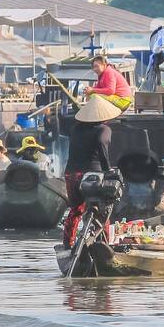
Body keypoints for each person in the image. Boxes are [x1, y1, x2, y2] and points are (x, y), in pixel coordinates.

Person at [62, 96, 120, 247]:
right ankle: (104, 243)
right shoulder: (104, 129)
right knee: (102, 211)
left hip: (72, 174)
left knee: (76, 210)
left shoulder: (75, 129)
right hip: (94, 176)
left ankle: (68, 244)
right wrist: (108, 170)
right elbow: (102, 146)